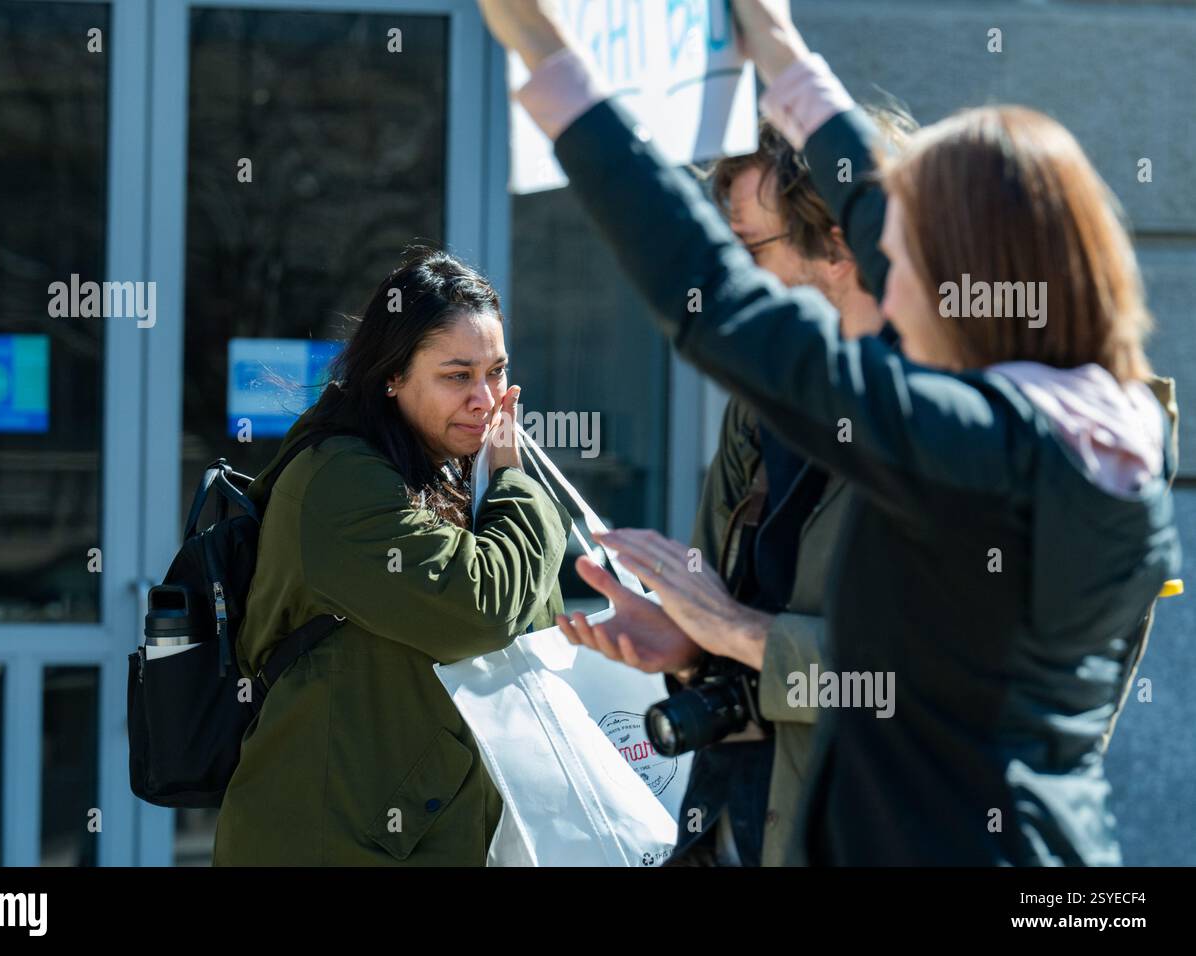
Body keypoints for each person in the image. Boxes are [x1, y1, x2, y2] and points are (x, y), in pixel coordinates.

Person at [478, 0, 1180, 865]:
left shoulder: (965, 445)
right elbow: (875, 218)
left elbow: (721, 303)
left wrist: (549, 59)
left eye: (906, 248)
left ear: (964, 280)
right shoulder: (1101, 428)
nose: (886, 270)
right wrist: (781, 52)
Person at [557, 108, 913, 866]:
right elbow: (738, 623)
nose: (730, 281)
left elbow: (923, 691)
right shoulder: (761, 408)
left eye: (748, 248)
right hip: (736, 819)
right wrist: (689, 645)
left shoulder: (953, 427)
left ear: (841, 248)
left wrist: (738, 634)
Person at [212, 247, 571, 866]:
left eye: (496, 371)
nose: (485, 399)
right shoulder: (338, 481)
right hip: (333, 841)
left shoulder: (450, 472)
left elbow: (529, 629)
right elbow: (483, 609)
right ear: (391, 376)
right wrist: (514, 485)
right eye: (457, 376)